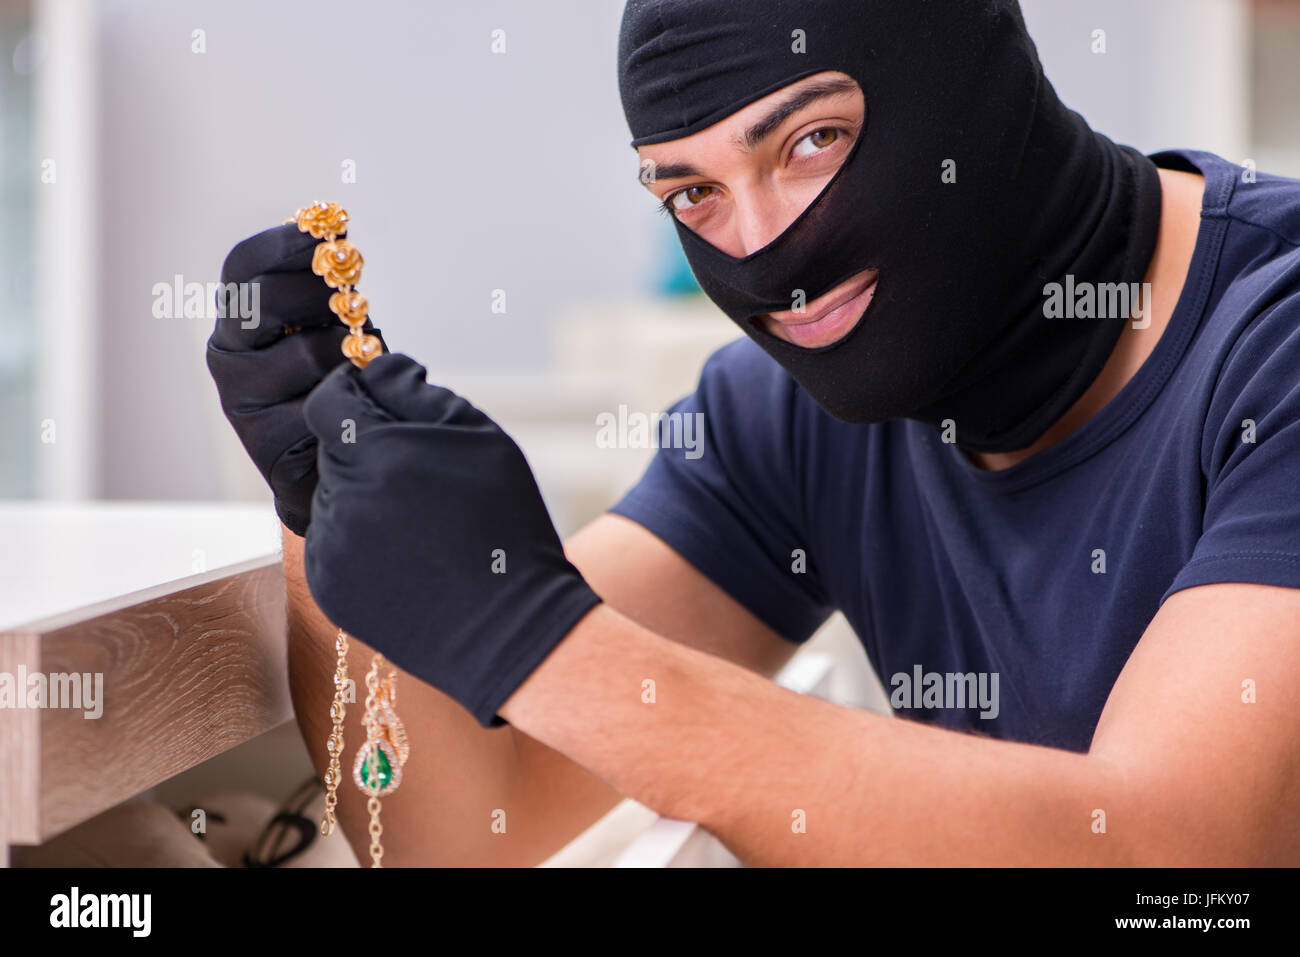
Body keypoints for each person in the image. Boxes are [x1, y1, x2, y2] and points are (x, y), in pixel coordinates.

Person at [206, 0, 1300, 865]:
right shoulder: (786, 412)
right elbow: (466, 832)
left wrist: (536, 638)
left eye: (812, 141)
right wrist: (322, 500)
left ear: (973, 77)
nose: (768, 253)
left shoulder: (1275, 337)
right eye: (692, 194)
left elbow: (1177, 865)